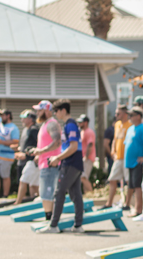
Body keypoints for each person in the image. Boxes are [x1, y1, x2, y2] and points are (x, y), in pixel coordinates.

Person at [37, 99, 85, 234]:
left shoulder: (70, 125)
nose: (55, 114)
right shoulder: (69, 124)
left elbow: (74, 146)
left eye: (56, 111)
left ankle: (53, 225)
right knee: (75, 194)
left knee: (59, 193)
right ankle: (78, 225)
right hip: (73, 163)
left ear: (63, 110)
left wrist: (57, 157)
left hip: (71, 163)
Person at [30, 100, 62, 220]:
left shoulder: (52, 124)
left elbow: (57, 142)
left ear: (47, 111)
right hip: (45, 164)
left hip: (50, 164)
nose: (37, 112)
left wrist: (40, 151)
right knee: (44, 194)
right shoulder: (45, 124)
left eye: (40, 110)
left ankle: (50, 220)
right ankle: (50, 219)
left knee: (46, 194)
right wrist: (38, 154)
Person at [124, 107, 143, 217]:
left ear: (138, 116)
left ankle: (138, 210)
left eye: (132, 115)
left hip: (137, 163)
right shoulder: (130, 128)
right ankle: (132, 206)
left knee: (137, 186)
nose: (130, 117)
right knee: (131, 185)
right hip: (130, 162)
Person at [0, 108, 20, 198]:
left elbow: (15, 142)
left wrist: (1, 142)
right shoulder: (0, 124)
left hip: (6, 156)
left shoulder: (14, 128)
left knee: (5, 176)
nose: (0, 117)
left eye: (2, 115)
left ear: (8, 116)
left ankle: (5, 195)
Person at [105, 106, 130, 209]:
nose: (116, 116)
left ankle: (127, 204)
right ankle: (109, 203)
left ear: (125, 114)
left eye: (118, 114)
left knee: (128, 181)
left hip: (127, 157)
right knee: (112, 179)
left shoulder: (130, 125)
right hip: (118, 158)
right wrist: (113, 151)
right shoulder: (117, 125)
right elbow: (115, 139)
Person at [14, 110, 40, 204]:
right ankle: (35, 201)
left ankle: (18, 202)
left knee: (23, 181)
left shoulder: (34, 129)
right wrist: (19, 149)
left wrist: (34, 155)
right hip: (26, 160)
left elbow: (40, 143)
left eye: (24, 118)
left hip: (32, 160)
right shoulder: (26, 130)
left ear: (30, 119)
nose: (22, 120)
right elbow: (28, 145)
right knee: (33, 184)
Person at [77, 115, 96, 194]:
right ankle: (87, 196)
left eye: (81, 122)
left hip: (87, 158)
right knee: (84, 178)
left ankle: (91, 195)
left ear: (86, 122)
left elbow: (90, 145)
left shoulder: (89, 132)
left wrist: (86, 156)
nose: (79, 123)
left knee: (83, 177)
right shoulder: (82, 132)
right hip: (83, 158)